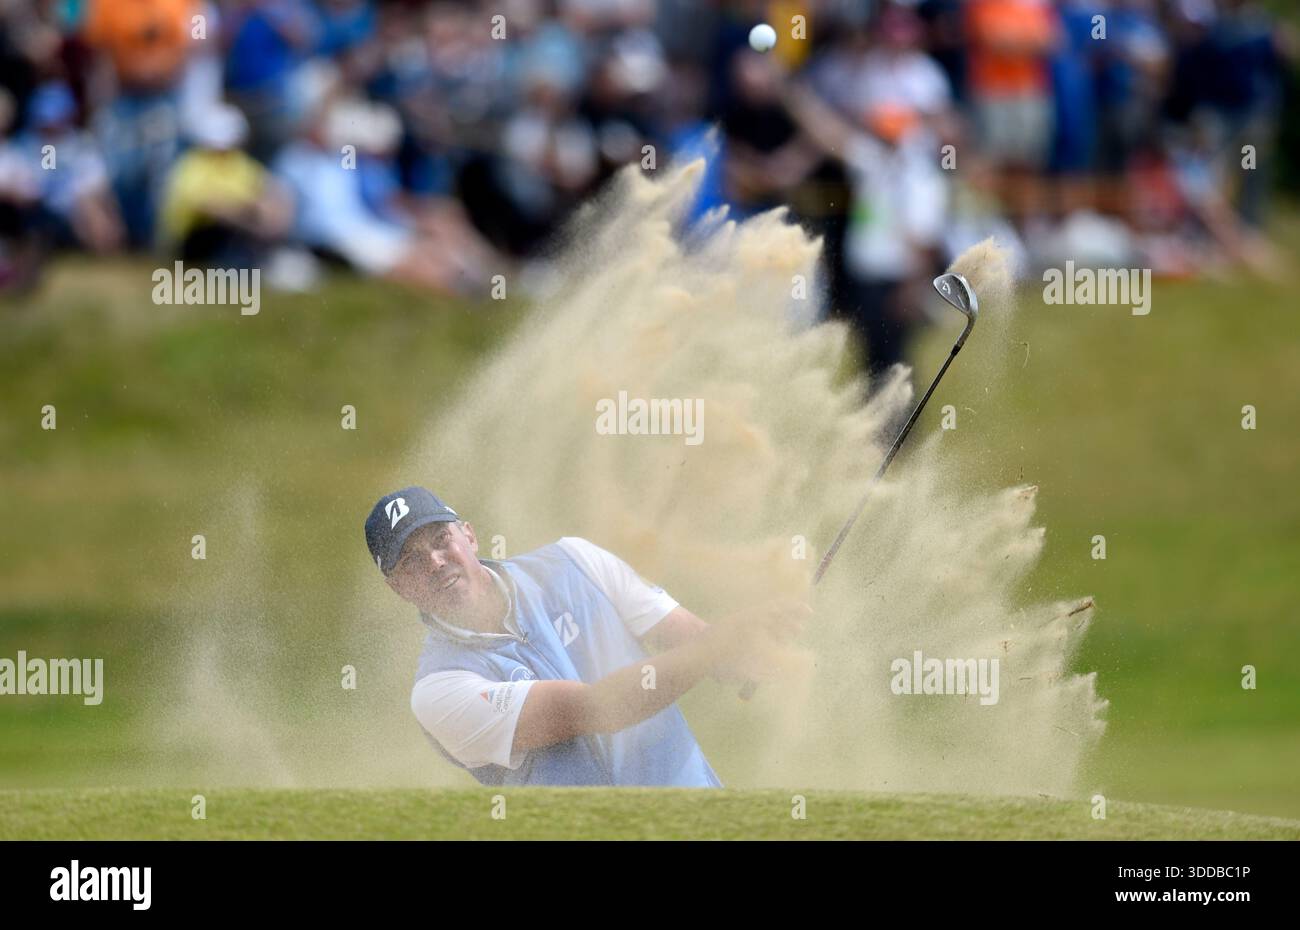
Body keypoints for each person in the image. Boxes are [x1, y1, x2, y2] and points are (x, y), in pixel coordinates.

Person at [364, 486, 807, 787]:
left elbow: (698, 643)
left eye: (441, 539)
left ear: (470, 535)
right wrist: (715, 649)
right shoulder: (439, 690)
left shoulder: (576, 562)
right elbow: (591, 709)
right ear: (397, 587)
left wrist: (749, 642)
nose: (437, 562)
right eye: (412, 561)